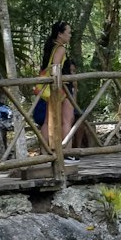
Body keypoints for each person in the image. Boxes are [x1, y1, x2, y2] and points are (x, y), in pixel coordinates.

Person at [33, 22, 86, 159]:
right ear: (60, 34)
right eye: (68, 32)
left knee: (47, 121)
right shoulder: (60, 48)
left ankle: (45, 152)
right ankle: (67, 152)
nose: (70, 35)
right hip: (61, 88)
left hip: (51, 87)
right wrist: (62, 81)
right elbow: (55, 67)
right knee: (67, 120)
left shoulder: (50, 47)